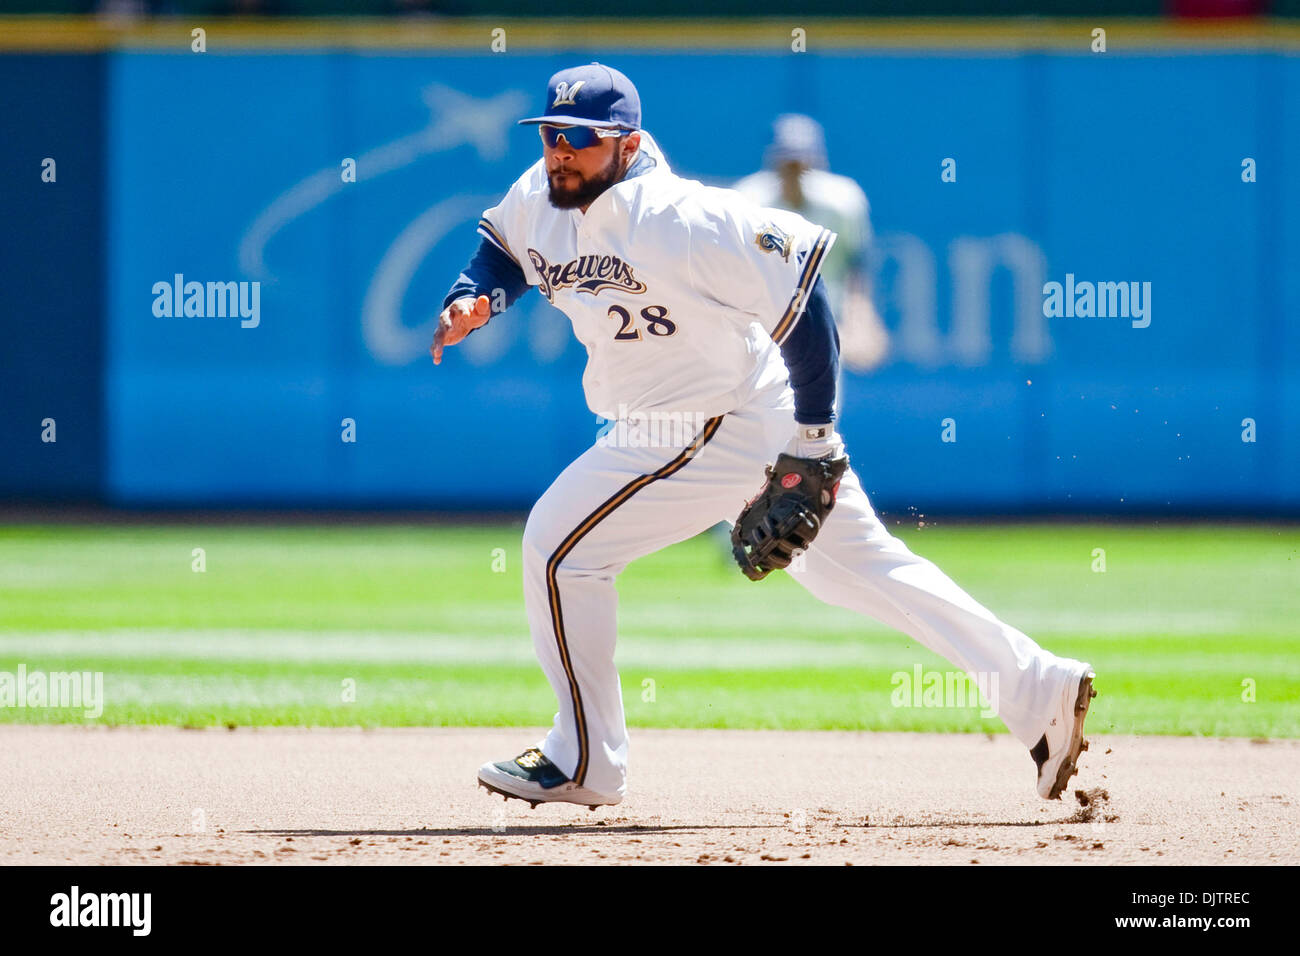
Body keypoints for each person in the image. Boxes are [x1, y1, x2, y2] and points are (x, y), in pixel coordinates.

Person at [433, 63, 1095, 810]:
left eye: (581, 139)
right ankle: (1040, 688)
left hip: (704, 419)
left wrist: (814, 436)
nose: (560, 151)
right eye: (552, 134)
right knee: (859, 570)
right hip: (715, 414)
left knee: (559, 549)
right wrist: (474, 298)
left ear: (629, 143)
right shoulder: (541, 191)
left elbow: (805, 294)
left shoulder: (682, 217)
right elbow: (506, 252)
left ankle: (584, 757)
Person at [734, 113, 889, 376]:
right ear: (773, 163)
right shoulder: (747, 201)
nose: (795, 172)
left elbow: (855, 268)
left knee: (819, 412)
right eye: (788, 164)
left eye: (803, 164)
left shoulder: (843, 203)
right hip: (759, 329)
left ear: (819, 162)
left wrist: (861, 320)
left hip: (822, 326)